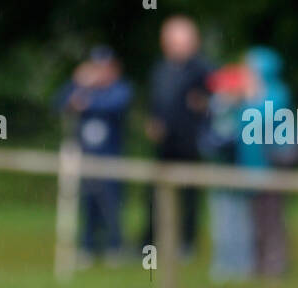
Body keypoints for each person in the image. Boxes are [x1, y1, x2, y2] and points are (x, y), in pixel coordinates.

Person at [55, 47, 134, 265]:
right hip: (86, 157)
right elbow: (60, 102)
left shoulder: (120, 89)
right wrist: (77, 83)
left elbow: (115, 105)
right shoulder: (83, 88)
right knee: (88, 202)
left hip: (111, 158)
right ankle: (87, 246)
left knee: (112, 203)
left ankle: (114, 246)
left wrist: (86, 103)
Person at [145, 16, 213, 259]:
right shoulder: (161, 69)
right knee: (155, 193)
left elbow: (216, 104)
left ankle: (187, 242)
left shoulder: (203, 70)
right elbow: (157, 102)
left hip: (191, 142)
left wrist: (204, 105)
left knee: (189, 195)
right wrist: (153, 122)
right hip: (165, 143)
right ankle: (150, 240)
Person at [199, 62, 257, 282]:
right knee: (221, 221)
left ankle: (243, 264)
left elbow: (239, 141)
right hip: (219, 175)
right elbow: (206, 141)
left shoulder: (246, 112)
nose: (221, 94)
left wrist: (223, 141)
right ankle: (223, 263)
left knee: (241, 221)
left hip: (240, 175)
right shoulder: (215, 111)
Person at [241, 47, 293, 276]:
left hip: (272, 166)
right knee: (256, 218)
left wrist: (251, 99)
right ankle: (258, 262)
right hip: (252, 167)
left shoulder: (277, 93)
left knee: (272, 217)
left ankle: (275, 264)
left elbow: (262, 118)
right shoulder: (250, 94)